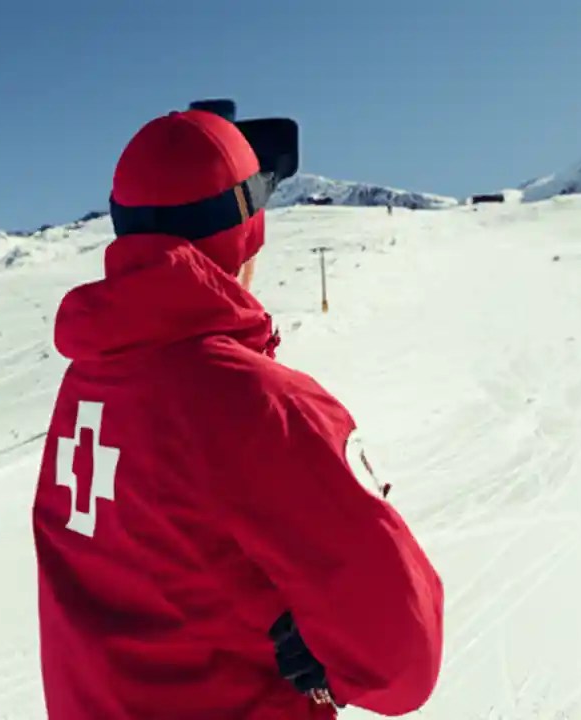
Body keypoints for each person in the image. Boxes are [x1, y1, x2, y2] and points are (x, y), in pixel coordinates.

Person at [32, 107, 444, 719]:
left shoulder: (90, 379)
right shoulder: (257, 402)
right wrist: (332, 654)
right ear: (248, 234)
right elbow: (402, 656)